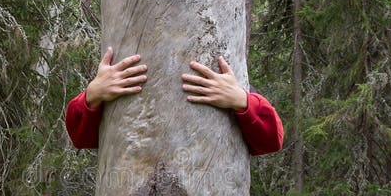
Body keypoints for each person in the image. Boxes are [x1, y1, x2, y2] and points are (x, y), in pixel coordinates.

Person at [65, 46, 284, 157]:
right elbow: (80, 137)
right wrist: (92, 95)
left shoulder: (224, 81)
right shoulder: (122, 75)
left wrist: (243, 101)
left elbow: (272, 140)